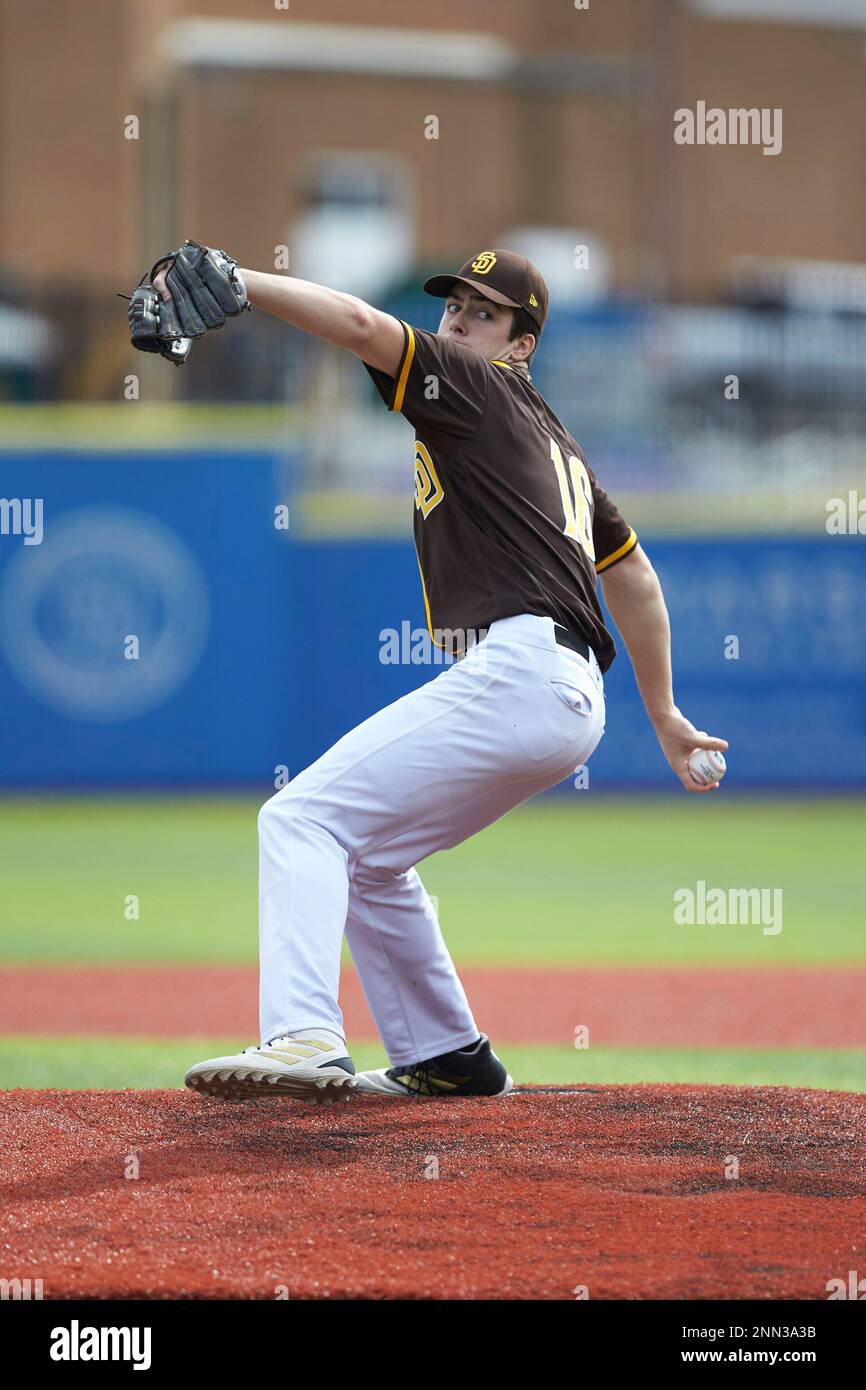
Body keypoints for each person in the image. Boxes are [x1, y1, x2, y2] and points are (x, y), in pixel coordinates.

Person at [178, 248, 728, 1105]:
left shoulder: (474, 387)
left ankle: (305, 1035)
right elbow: (637, 580)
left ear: (521, 344)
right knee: (373, 859)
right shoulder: (562, 447)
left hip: (522, 672)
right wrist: (662, 713)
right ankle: (447, 1054)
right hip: (567, 699)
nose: (457, 323)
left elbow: (361, 326)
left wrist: (241, 283)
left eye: (484, 313)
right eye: (453, 307)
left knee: (302, 819)